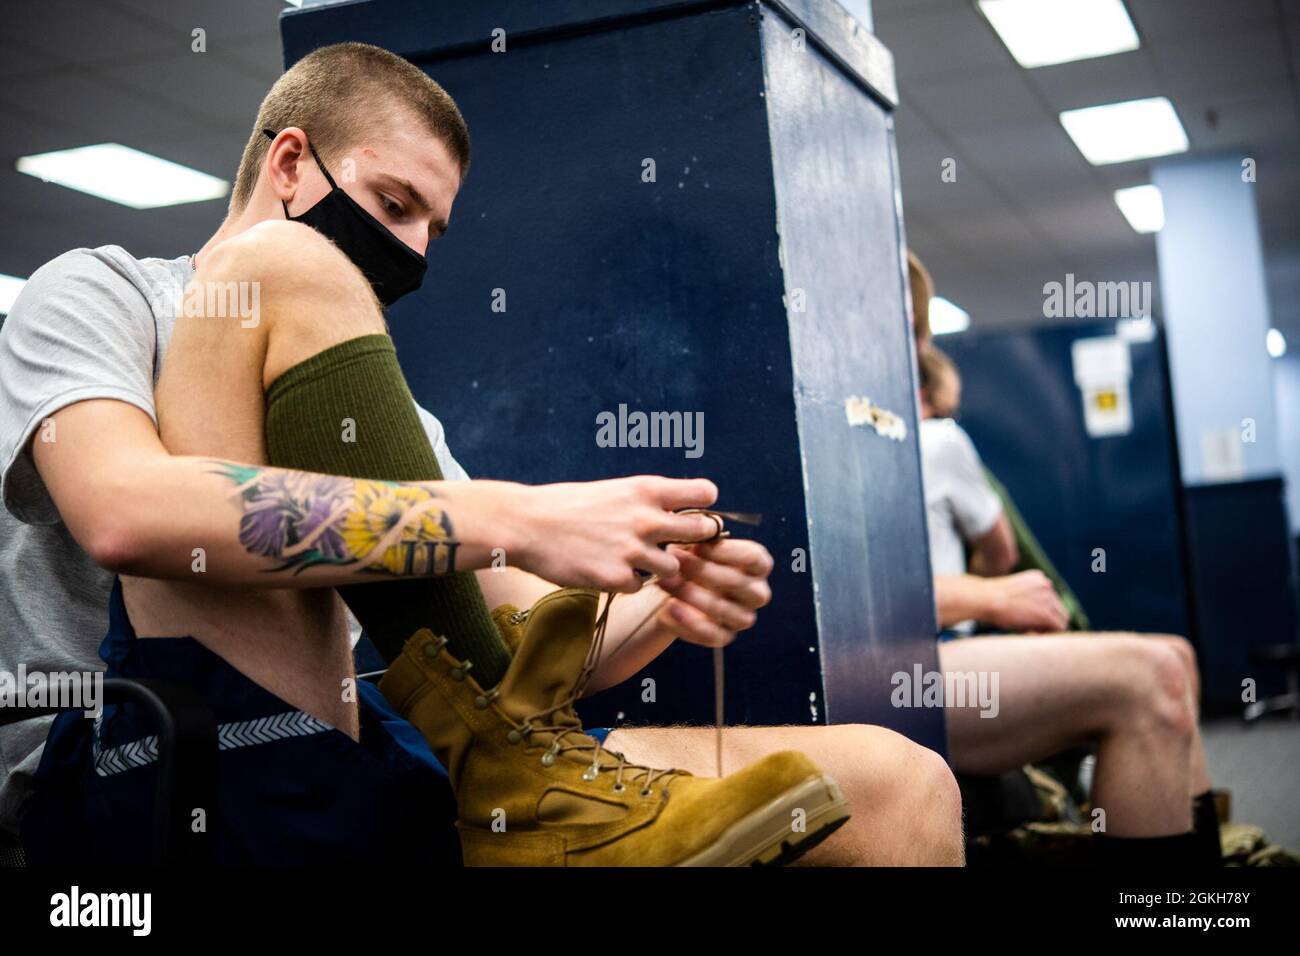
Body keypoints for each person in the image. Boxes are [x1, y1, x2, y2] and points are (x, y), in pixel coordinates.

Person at [0, 42, 963, 867]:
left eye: (433, 227)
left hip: (360, 739)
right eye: (392, 200)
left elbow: (507, 647)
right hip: (132, 754)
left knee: (900, 785)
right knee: (281, 267)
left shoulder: (384, 408)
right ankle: (511, 774)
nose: (412, 248)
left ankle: (520, 781)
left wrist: (658, 596)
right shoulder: (100, 292)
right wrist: (519, 516)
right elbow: (123, 512)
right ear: (288, 162)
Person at [904, 255, 1221, 864]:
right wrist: (983, 597)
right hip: (891, 669)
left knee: (1173, 660)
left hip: (937, 651)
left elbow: (993, 552)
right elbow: (836, 600)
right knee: (1150, 677)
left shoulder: (912, 435)